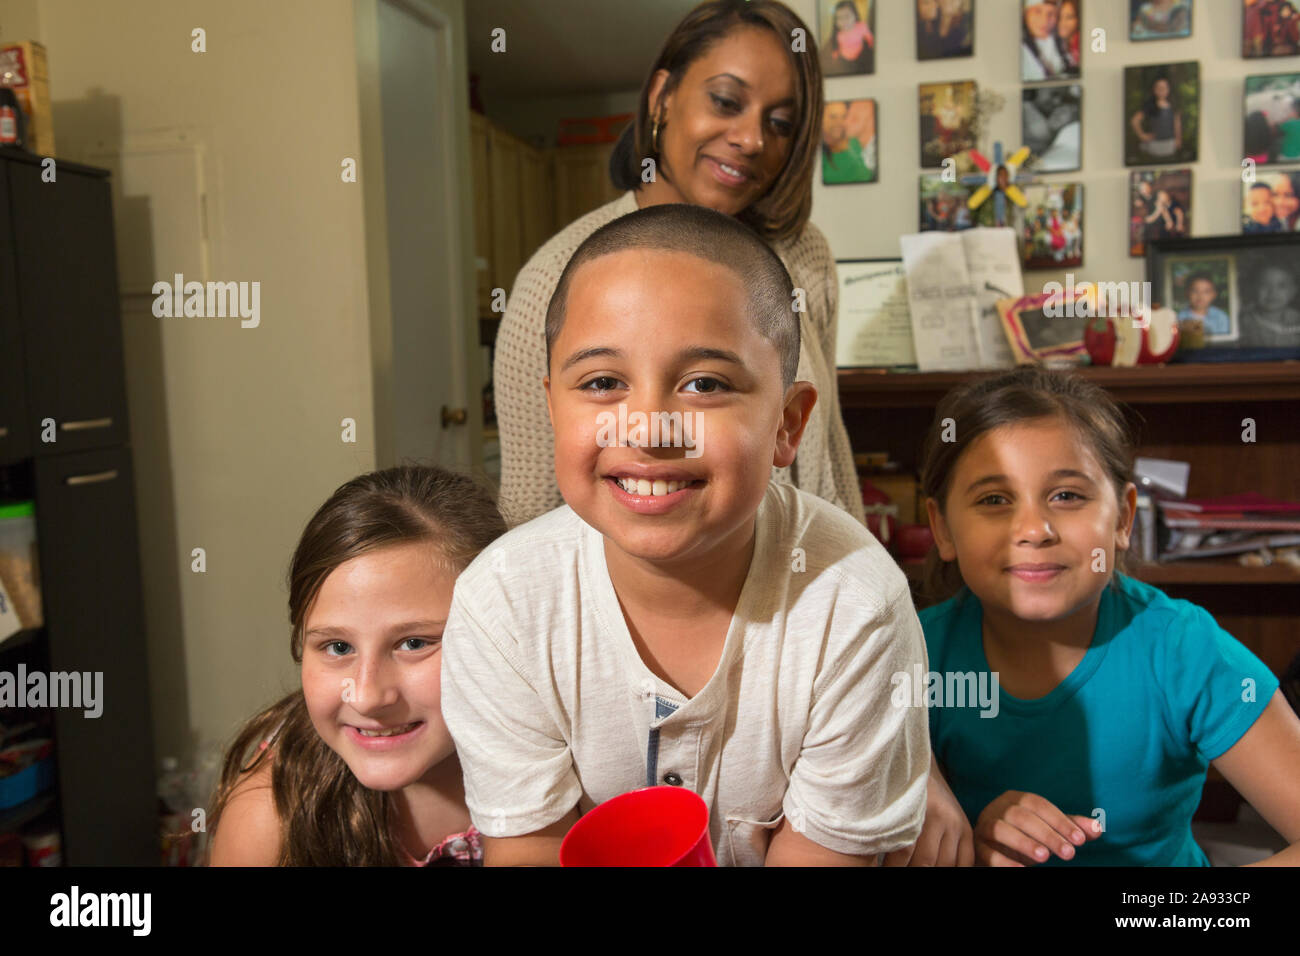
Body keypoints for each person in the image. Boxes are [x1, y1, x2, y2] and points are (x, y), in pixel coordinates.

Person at [441, 204, 931, 867]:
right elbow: (527, 850)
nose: (647, 429)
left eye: (704, 384)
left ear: (788, 424)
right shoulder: (501, 605)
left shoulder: (855, 608)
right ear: (552, 407)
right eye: (603, 383)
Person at [494, 0, 865, 530]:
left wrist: (862, 564)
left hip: (803, 588)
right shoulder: (553, 277)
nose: (752, 138)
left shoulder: (804, 255)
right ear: (662, 97)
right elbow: (528, 513)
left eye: (780, 123)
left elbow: (830, 445)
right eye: (725, 101)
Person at [917, 367, 1300, 866]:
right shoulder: (909, 657)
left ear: (1122, 518)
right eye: (995, 500)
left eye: (1067, 496)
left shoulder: (1184, 649)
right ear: (942, 528)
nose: (1034, 529)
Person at [206, 466, 506, 866]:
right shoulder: (269, 815)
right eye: (337, 647)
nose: (366, 696)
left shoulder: (574, 774)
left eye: (413, 643)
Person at [1238, 262, 1300, 349]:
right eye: (1264, 285)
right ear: (1254, 288)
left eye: (1281, 286)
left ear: (1293, 291)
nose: (1272, 292)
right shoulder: (1244, 322)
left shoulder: (1297, 320)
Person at [821, 100, 874, 184]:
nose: (839, 122)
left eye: (844, 116)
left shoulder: (860, 145)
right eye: (833, 116)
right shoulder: (815, 153)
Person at [1130, 76, 1182, 160]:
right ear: (1154, 90)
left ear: (1168, 89)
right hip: (1154, 146)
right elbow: (1135, 120)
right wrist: (1142, 135)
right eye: (1159, 88)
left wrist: (1178, 139)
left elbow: (1177, 123)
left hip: (1170, 145)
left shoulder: (1174, 105)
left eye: (1164, 88)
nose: (1161, 90)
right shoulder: (1149, 106)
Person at [1022, 1, 1073, 81]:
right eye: (1037, 11)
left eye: (1051, 13)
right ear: (1026, 13)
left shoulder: (1063, 43)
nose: (1045, 20)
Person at [824, 0, 874, 76]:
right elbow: (837, 45)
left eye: (847, 16)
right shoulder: (838, 34)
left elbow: (869, 36)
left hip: (860, 56)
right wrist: (835, 54)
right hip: (845, 59)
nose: (843, 21)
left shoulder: (862, 26)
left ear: (855, 16)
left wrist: (871, 44)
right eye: (839, 18)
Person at [1176, 273, 1230, 337]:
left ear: (1214, 295)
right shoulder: (1179, 318)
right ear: (1187, 293)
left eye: (1206, 291)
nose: (1200, 296)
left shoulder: (1221, 317)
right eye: (1195, 291)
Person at [1057, 0, 1081, 71]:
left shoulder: (1080, 42)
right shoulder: (1061, 43)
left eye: (1069, 17)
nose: (1062, 23)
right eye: (1059, 17)